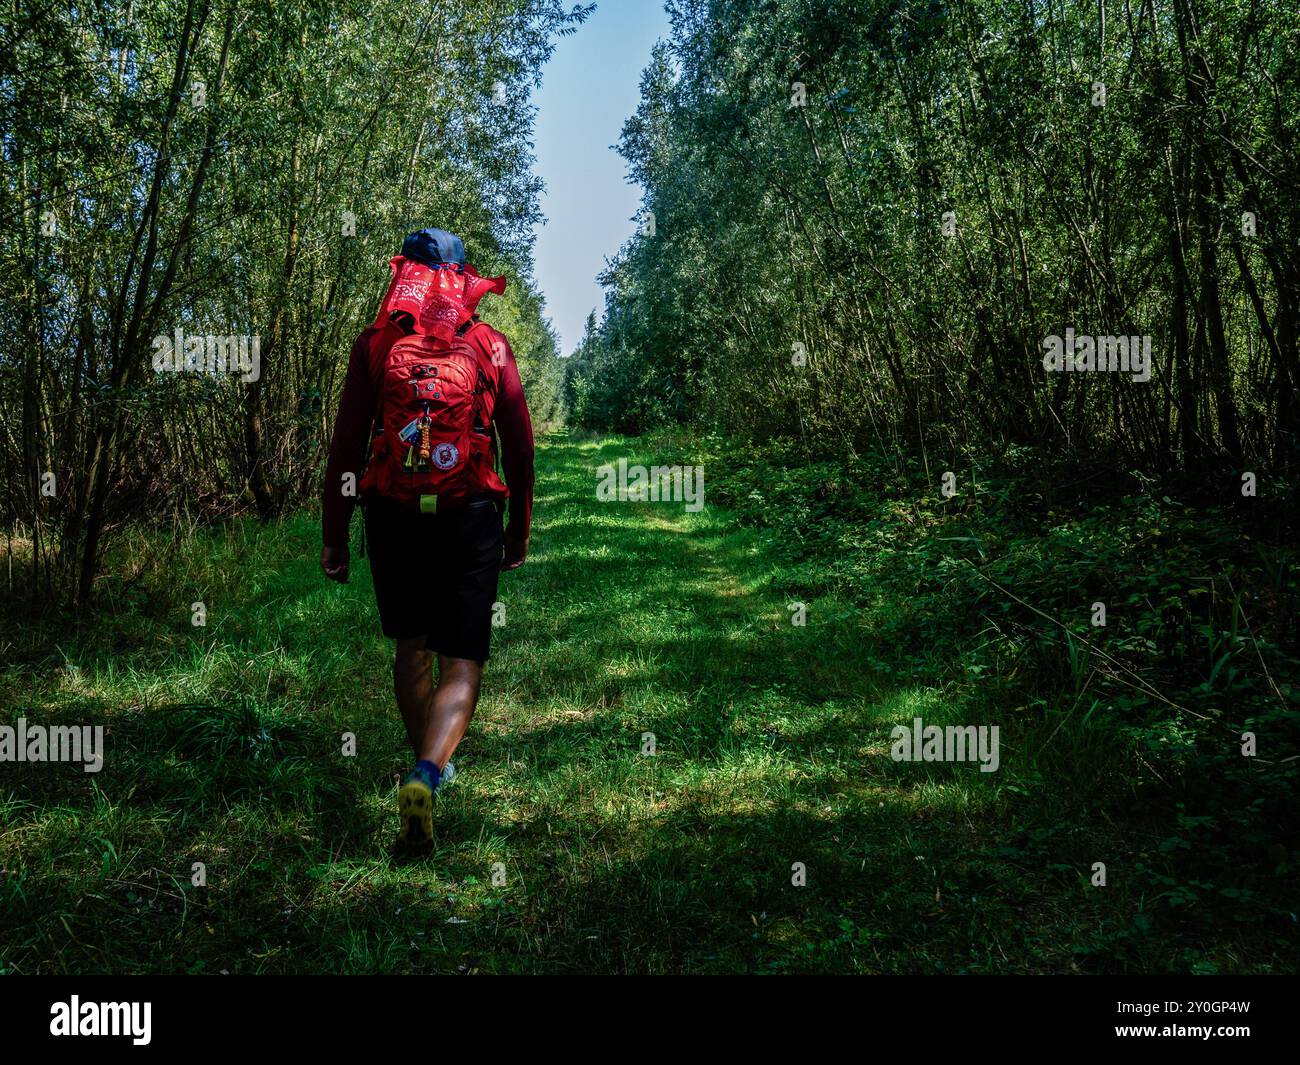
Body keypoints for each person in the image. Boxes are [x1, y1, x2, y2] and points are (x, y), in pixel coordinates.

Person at [319, 227, 534, 853]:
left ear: (402, 276)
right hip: (469, 513)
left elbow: (346, 449)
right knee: (461, 660)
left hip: (392, 514)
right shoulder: (490, 345)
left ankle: (426, 767)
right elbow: (519, 447)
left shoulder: (376, 343)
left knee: (411, 650)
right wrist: (517, 529)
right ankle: (428, 773)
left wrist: (335, 535)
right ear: (466, 280)